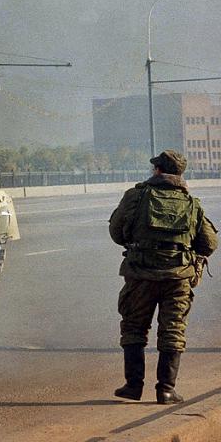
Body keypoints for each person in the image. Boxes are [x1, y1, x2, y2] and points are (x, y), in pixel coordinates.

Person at [109, 150, 217, 404]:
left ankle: (133, 387)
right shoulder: (192, 203)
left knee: (134, 328)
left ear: (158, 170)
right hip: (178, 278)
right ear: (180, 173)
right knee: (173, 330)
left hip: (140, 274)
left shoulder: (136, 195)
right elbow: (209, 242)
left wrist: (139, 244)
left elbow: (116, 232)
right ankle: (166, 390)